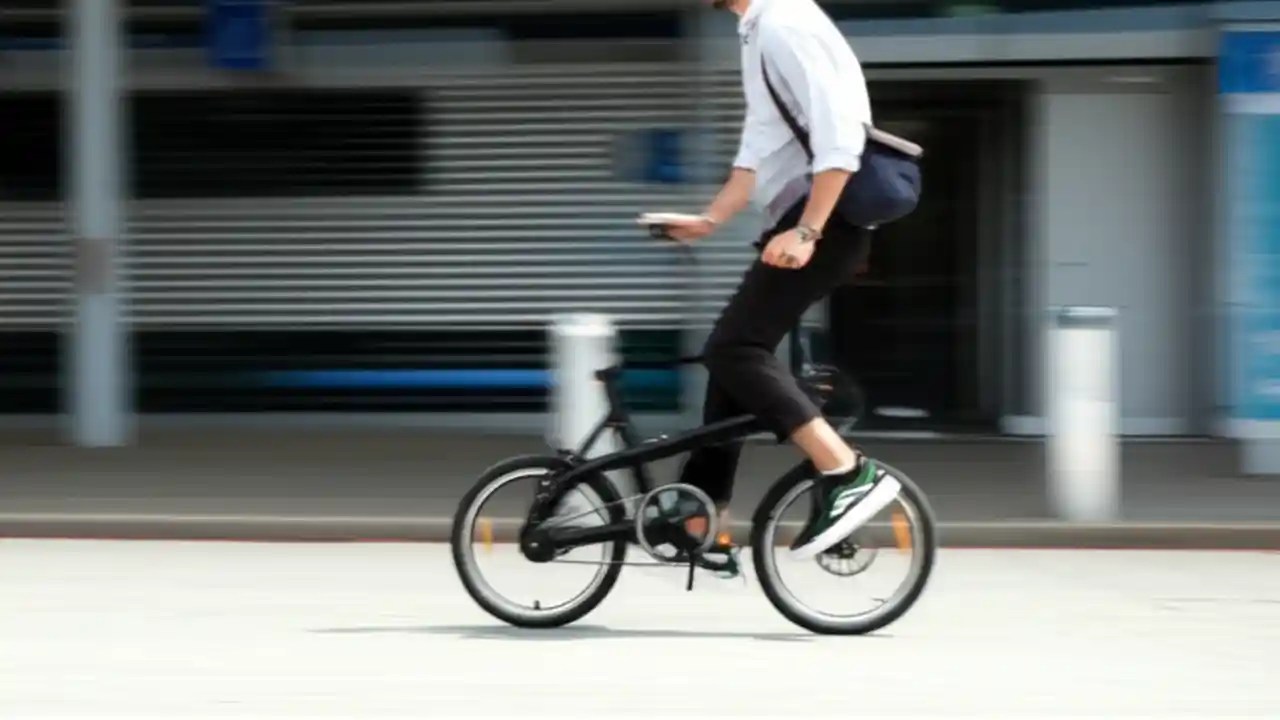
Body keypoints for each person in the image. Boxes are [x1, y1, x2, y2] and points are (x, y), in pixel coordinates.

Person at [655, 0, 902, 562]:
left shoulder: (786, 22)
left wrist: (809, 230)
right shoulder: (759, 29)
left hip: (823, 225)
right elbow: (759, 148)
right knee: (730, 363)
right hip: (807, 225)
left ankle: (845, 469)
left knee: (736, 348)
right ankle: (701, 516)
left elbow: (840, 133)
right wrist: (710, 219)